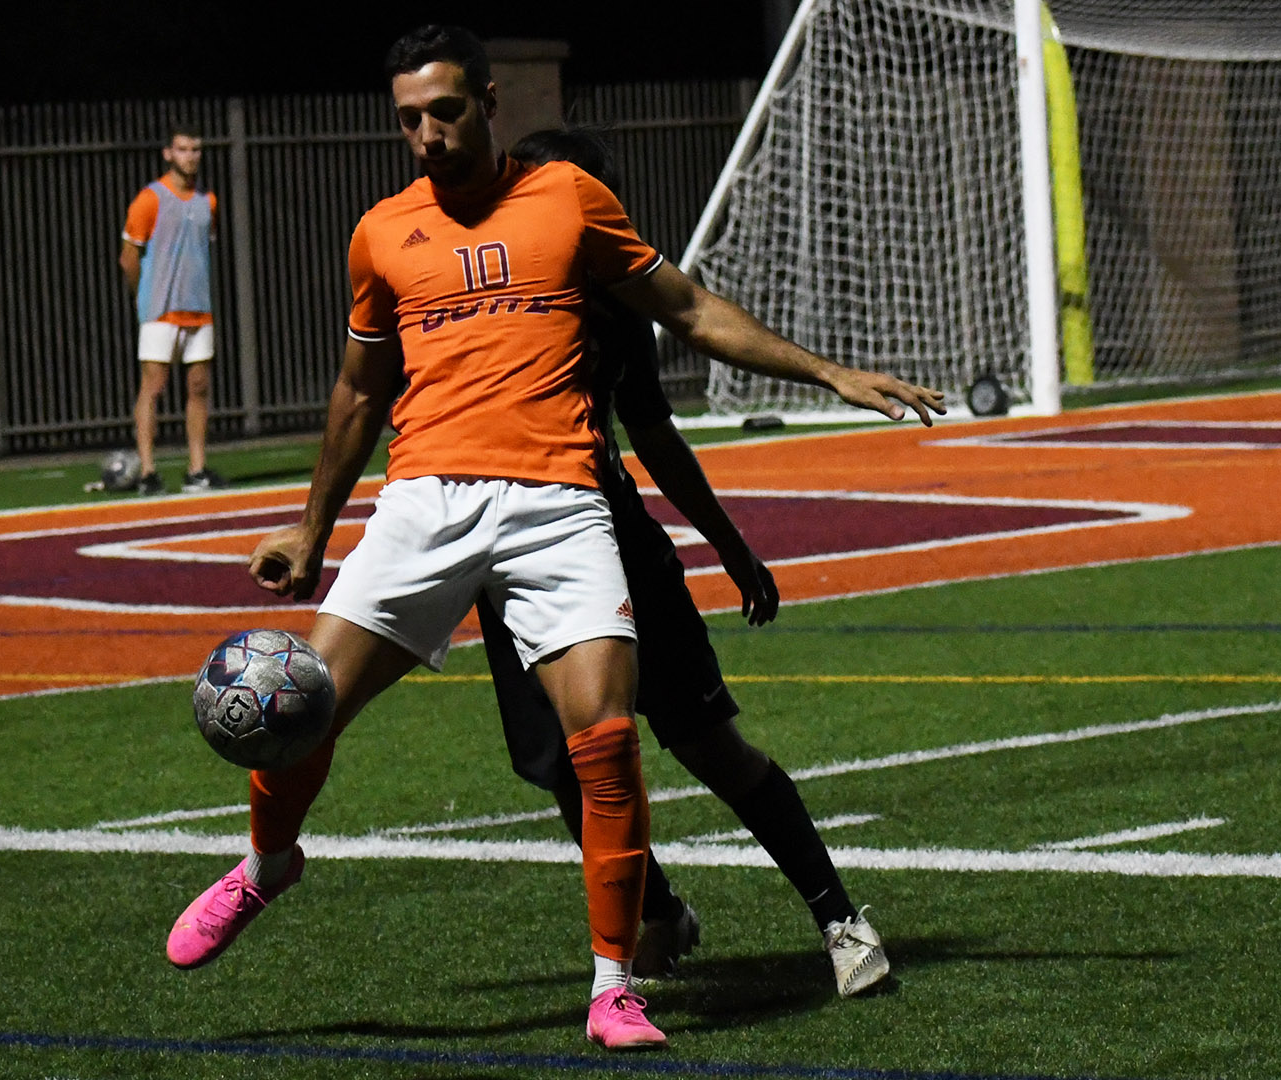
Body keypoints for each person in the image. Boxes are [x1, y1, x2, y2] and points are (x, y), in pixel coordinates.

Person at [165, 25, 943, 1051]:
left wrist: (832, 374)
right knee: (298, 705)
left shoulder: (570, 201)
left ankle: (615, 985)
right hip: (425, 501)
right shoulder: (380, 232)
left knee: (606, 743)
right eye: (409, 119)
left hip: (559, 500)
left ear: (489, 102)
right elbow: (361, 389)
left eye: (446, 111)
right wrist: (312, 530)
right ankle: (268, 865)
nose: (428, 135)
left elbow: (691, 308)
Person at [477, 126, 888, 999]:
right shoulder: (477, 296)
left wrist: (730, 544)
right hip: (505, 555)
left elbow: (654, 427)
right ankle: (658, 914)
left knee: (709, 744)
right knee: (560, 764)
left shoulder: (620, 299)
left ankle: (841, 922)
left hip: (611, 537)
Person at [119, 126, 226, 494]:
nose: (191, 156)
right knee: (155, 387)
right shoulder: (149, 199)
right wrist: (142, 297)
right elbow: (128, 257)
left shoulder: (207, 201)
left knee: (199, 386)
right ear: (168, 153)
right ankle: (148, 471)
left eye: (196, 148)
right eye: (183, 149)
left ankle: (197, 468)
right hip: (161, 308)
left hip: (198, 307)